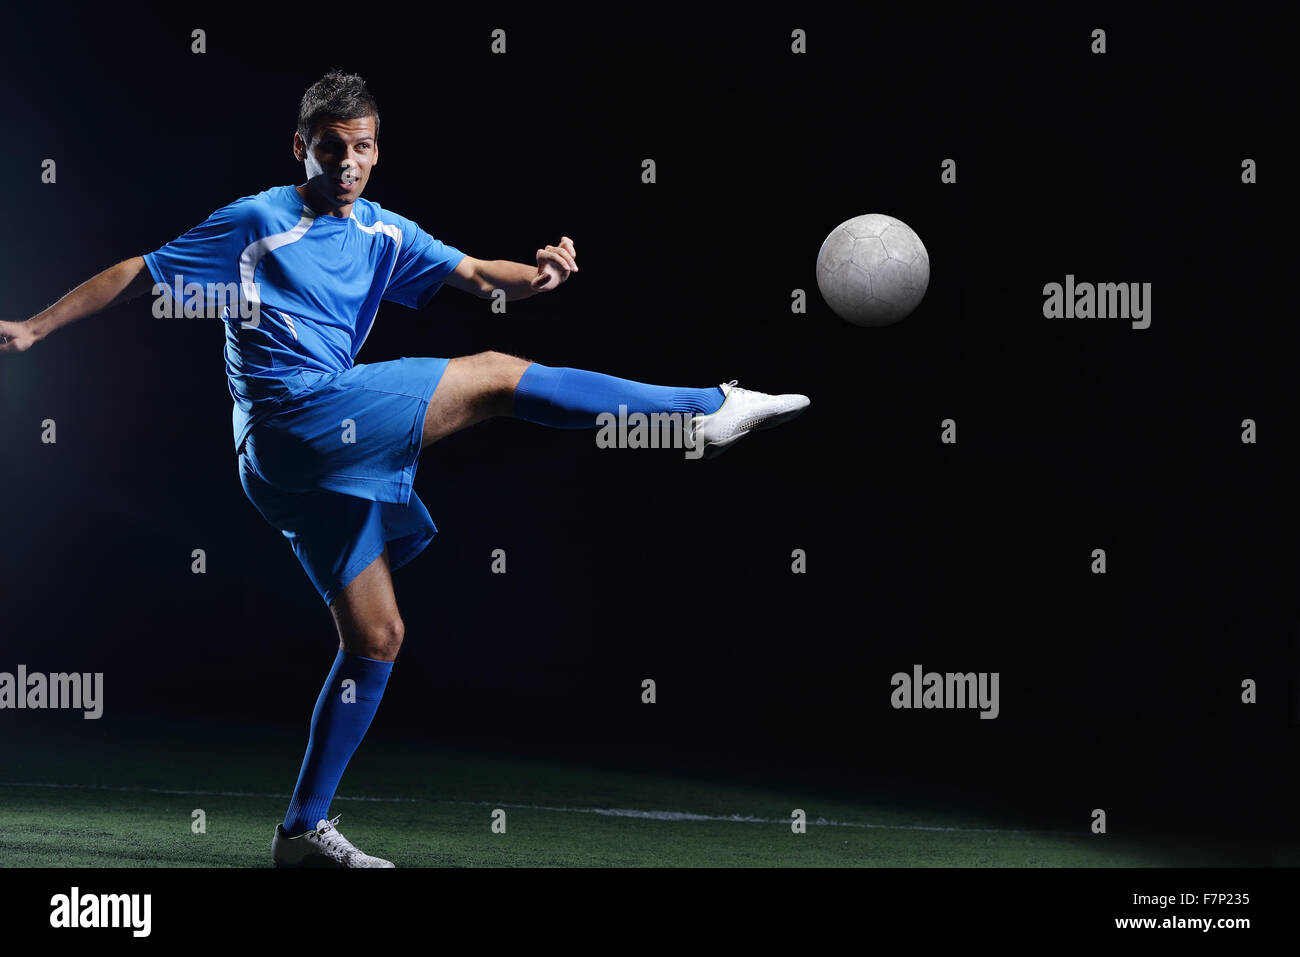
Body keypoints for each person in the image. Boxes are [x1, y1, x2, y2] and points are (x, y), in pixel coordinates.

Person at [0, 70, 810, 867]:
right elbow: (140, 272)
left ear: (377, 151)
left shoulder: (387, 233)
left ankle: (300, 834)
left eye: (360, 148)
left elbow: (478, 277)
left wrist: (541, 275)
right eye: (329, 149)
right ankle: (704, 409)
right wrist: (36, 329)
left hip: (289, 469)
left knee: (377, 638)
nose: (345, 163)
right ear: (300, 149)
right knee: (495, 376)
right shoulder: (257, 219)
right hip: (297, 419)